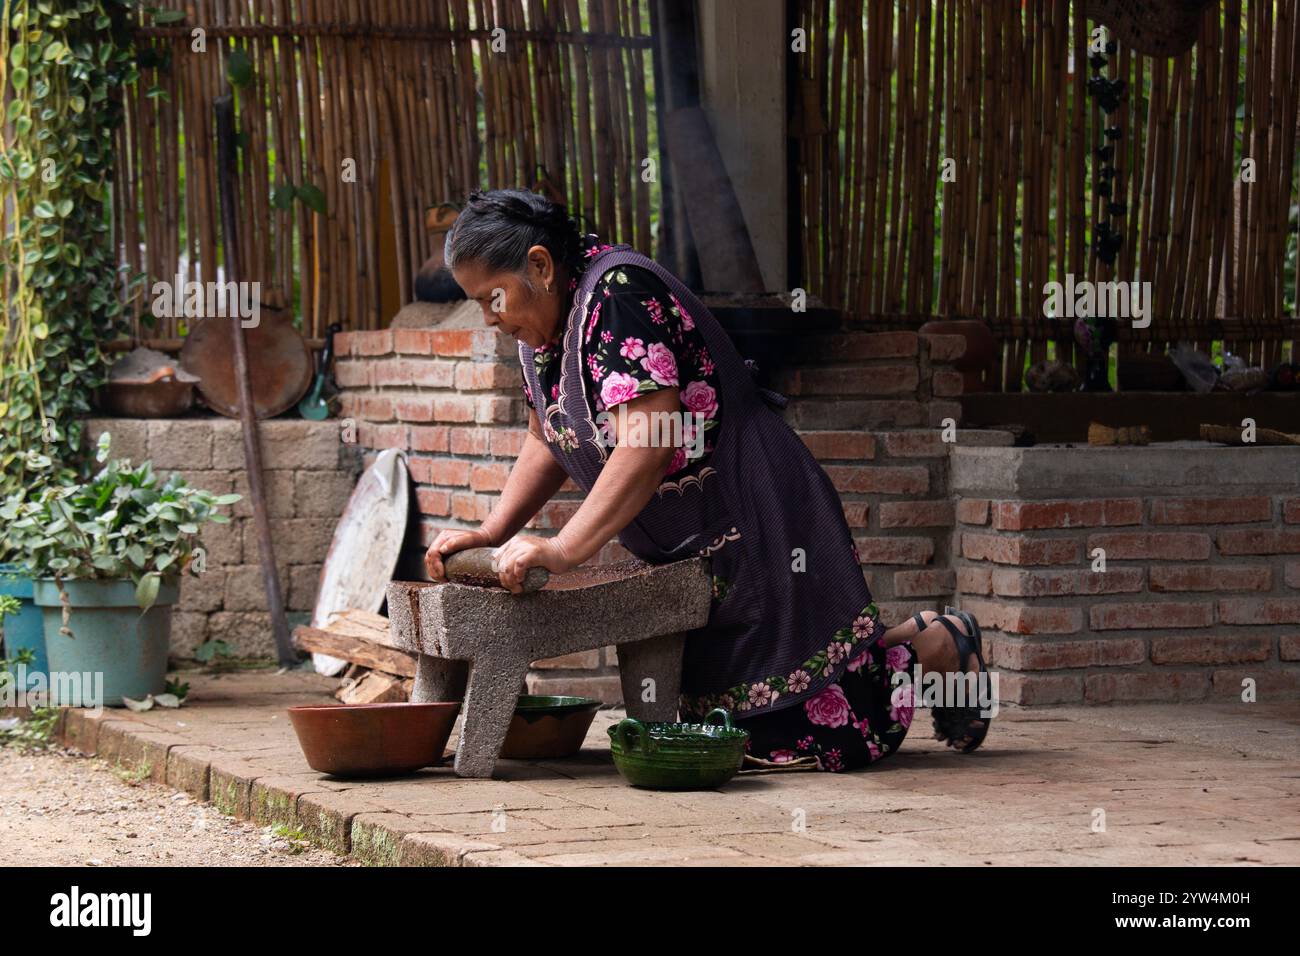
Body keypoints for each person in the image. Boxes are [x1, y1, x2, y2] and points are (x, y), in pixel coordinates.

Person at [423, 188, 992, 771]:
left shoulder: (617, 296)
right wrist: (491, 532)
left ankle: (936, 644)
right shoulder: (544, 330)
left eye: (492, 298)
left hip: (757, 515)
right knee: (726, 726)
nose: (489, 318)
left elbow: (647, 444)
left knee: (813, 729)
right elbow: (549, 436)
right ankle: (923, 640)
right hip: (691, 542)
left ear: (539, 265)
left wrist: (564, 547)